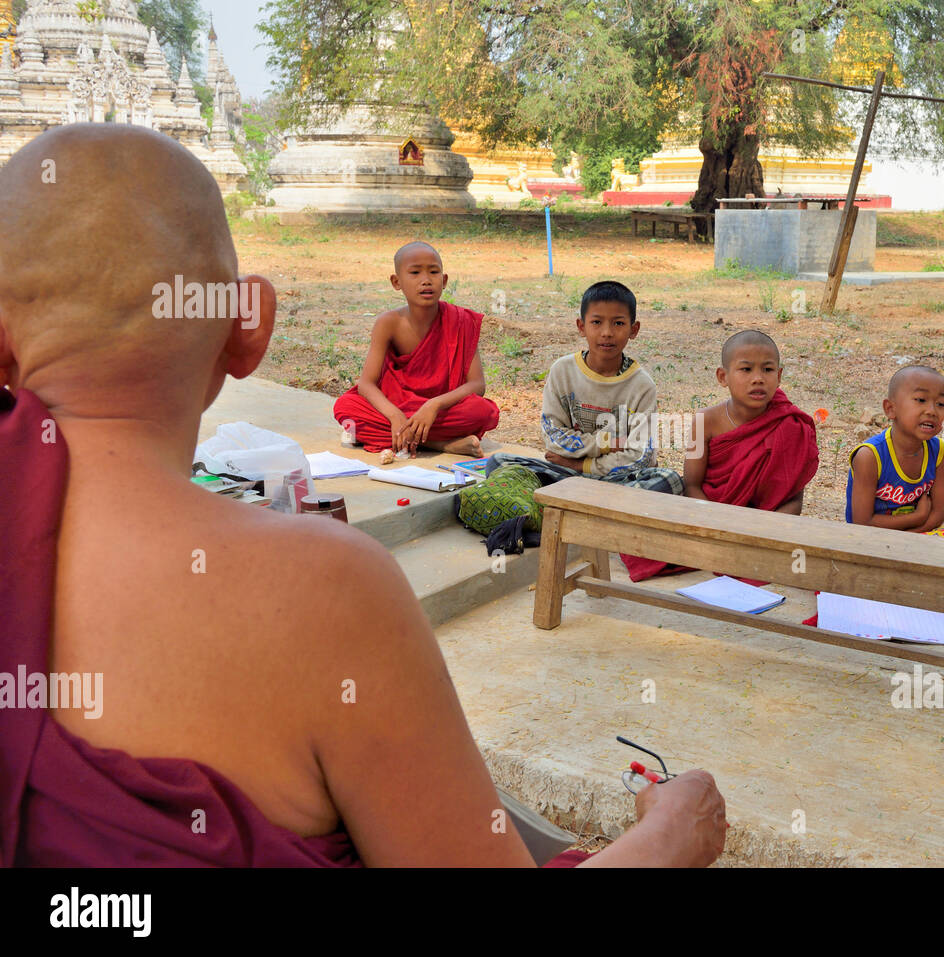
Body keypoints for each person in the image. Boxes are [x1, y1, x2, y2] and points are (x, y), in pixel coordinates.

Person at [0, 124, 727, 867]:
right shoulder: (325, 590)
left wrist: (433, 411)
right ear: (249, 328)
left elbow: (474, 389)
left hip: (438, 418)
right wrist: (674, 835)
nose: (429, 281)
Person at [622, 330, 819, 582]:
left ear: (779, 376)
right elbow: (691, 485)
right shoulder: (703, 421)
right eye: (746, 370)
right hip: (711, 518)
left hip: (766, 529)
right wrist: (720, 526)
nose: (758, 379)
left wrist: (763, 533)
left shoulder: (790, 425)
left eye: (768, 370)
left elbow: (793, 499)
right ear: (722, 377)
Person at [486, 280, 682, 493]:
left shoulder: (642, 386)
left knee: (669, 480)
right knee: (499, 463)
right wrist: (609, 442)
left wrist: (581, 465)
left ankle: (570, 505)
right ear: (581, 326)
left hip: (617, 479)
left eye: (618, 323)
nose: (607, 332)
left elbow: (641, 455)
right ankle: (602, 511)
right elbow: (553, 437)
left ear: (633, 330)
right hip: (565, 476)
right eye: (597, 322)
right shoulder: (563, 371)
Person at [332, 242, 499, 456]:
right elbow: (366, 384)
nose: (426, 280)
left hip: (440, 410)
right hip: (397, 404)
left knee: (481, 412)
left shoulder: (461, 321)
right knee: (345, 407)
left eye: (433, 271)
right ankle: (440, 444)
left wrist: (433, 405)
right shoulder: (388, 323)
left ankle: (404, 437)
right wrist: (394, 415)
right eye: (415, 272)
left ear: (444, 280)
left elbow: (477, 384)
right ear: (396, 282)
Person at [846, 365, 944, 533]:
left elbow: (938, 515)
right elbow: (863, 522)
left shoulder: (940, 453)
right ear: (890, 409)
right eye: (921, 400)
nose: (932, 411)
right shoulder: (870, 457)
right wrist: (917, 517)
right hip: (872, 540)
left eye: (940, 404)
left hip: (919, 533)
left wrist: (910, 536)